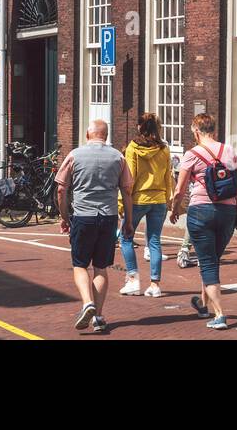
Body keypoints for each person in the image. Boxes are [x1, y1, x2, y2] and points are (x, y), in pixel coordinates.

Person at [55, 120, 134, 334]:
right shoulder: (118, 157)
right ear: (106, 136)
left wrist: (64, 217)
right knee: (101, 267)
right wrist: (128, 221)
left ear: (88, 135)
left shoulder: (75, 155)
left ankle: (87, 302)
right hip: (108, 217)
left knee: (80, 264)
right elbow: (127, 191)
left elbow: (61, 190)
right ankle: (98, 317)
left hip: (83, 215)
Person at [171, 113, 237, 331]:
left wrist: (174, 210)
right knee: (211, 259)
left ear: (195, 131)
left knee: (208, 263)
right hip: (227, 212)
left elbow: (180, 189)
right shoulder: (229, 150)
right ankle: (203, 305)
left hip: (201, 210)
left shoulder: (192, 154)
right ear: (214, 130)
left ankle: (219, 314)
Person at [118, 113, 173, 298]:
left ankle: (133, 280)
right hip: (158, 199)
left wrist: (121, 204)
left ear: (140, 127)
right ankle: (155, 285)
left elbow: (128, 180)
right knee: (155, 241)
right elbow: (168, 177)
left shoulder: (133, 148)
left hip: (138, 200)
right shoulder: (164, 149)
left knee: (125, 238)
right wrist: (168, 199)